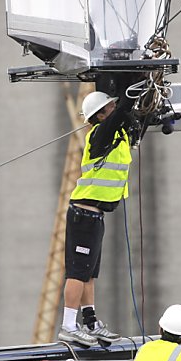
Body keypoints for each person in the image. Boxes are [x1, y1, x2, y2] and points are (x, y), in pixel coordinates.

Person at [58, 90, 133, 347]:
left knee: (89, 273)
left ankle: (90, 322)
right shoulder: (100, 134)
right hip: (84, 214)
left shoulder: (117, 137)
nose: (114, 109)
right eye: (109, 107)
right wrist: (132, 94)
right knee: (78, 272)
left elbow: (128, 118)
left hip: (94, 216)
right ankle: (68, 325)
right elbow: (122, 113)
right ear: (100, 115)